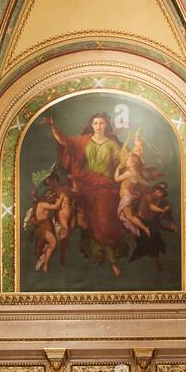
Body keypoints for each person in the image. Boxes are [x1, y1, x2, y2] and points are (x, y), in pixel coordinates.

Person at [45, 111, 128, 277]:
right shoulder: (83, 141)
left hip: (105, 185)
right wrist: (53, 126)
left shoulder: (112, 143)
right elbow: (64, 141)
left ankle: (112, 258)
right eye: (96, 123)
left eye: (102, 123)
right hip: (86, 184)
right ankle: (99, 255)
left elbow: (124, 159)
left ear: (106, 125)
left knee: (106, 222)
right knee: (87, 219)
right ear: (92, 125)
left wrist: (134, 154)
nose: (99, 126)